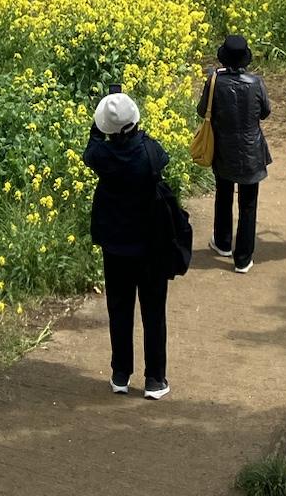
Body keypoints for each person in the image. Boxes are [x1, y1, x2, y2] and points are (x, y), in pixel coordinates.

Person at [83, 89, 173, 399]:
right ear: (134, 121)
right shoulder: (149, 152)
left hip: (115, 246)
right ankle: (155, 379)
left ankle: (121, 374)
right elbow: (163, 158)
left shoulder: (101, 157)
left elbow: (92, 146)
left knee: (119, 309)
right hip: (150, 244)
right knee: (153, 312)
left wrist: (101, 122)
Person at [198, 33, 271, 274]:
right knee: (248, 204)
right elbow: (265, 112)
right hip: (251, 151)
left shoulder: (214, 82)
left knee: (224, 194)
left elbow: (201, 111)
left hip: (223, 149)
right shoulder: (256, 82)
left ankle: (222, 242)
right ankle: (243, 259)